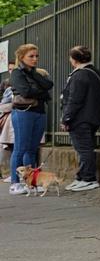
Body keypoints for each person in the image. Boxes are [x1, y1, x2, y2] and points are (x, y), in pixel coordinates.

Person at [8, 44, 53, 195]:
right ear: (22, 57)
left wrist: (37, 84)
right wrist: (42, 93)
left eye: (36, 56)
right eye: (31, 56)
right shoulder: (17, 73)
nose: (35, 59)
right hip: (23, 113)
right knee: (20, 148)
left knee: (32, 149)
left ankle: (32, 182)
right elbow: (26, 91)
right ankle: (15, 183)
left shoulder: (35, 73)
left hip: (39, 112)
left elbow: (48, 85)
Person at [61, 46, 100, 192]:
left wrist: (66, 118)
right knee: (85, 148)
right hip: (92, 117)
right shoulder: (95, 73)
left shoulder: (79, 75)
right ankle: (81, 177)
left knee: (84, 149)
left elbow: (75, 99)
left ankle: (88, 178)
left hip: (80, 118)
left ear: (74, 60)